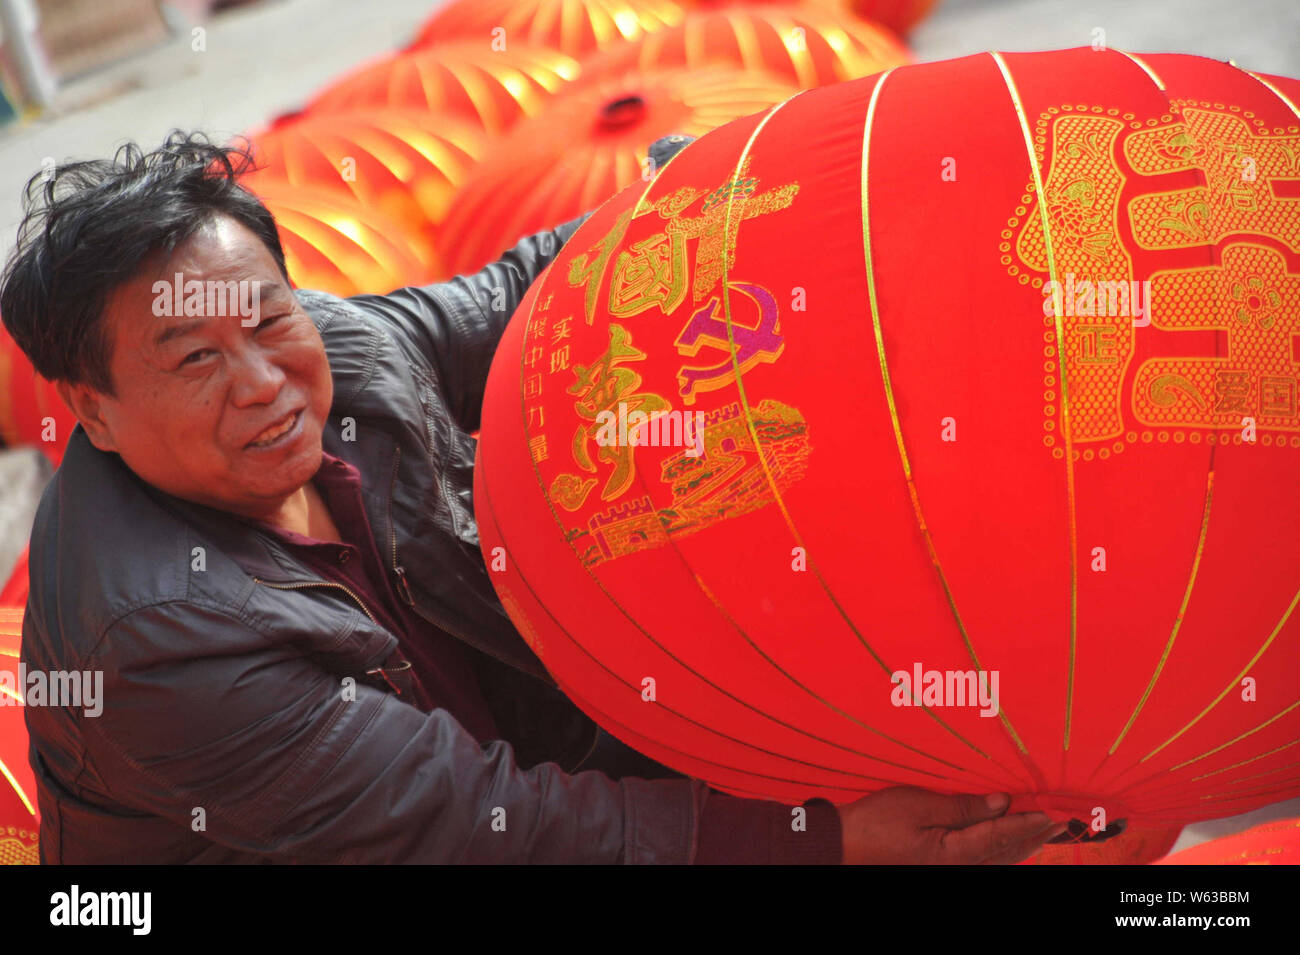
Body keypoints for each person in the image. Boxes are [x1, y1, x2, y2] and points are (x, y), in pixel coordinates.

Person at [0, 131, 1066, 863]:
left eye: (270, 320)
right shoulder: (155, 637)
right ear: (89, 409)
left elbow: (533, 295)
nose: (266, 383)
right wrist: (822, 840)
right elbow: (477, 824)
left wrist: (733, 179)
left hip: (528, 758)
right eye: (192, 361)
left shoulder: (345, 352)